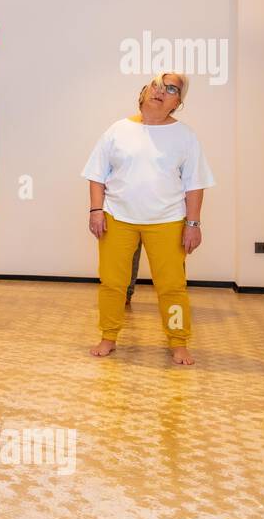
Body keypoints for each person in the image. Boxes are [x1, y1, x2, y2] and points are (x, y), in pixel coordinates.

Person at [82, 72, 215, 365]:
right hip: (117, 219)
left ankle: (178, 341)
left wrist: (193, 224)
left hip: (168, 221)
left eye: (171, 89)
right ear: (144, 91)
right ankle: (108, 336)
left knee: (172, 287)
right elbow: (96, 174)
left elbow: (195, 184)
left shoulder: (185, 136)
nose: (161, 91)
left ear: (177, 103)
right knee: (112, 283)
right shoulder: (117, 130)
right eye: (156, 85)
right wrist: (96, 210)